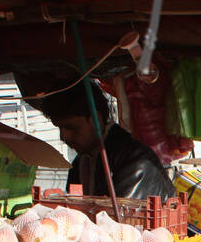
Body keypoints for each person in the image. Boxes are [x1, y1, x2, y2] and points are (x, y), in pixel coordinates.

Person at [33, 79, 174, 201]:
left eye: (71, 127)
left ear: (96, 119)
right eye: (60, 128)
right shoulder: (80, 163)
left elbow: (123, 222)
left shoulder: (135, 160)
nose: (63, 137)